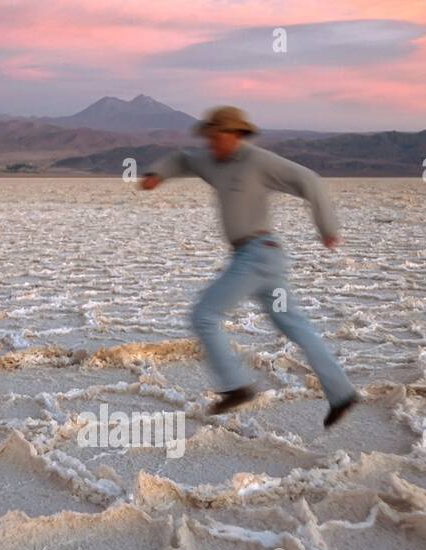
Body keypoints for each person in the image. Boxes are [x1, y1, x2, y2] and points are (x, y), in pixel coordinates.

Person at [141, 105, 359, 427]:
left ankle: (235, 387)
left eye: (217, 137)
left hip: (258, 254)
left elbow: (310, 180)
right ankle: (342, 393)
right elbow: (182, 159)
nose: (212, 144)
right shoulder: (210, 161)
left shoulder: (258, 161)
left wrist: (327, 228)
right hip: (261, 258)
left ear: (235, 135)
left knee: (204, 315)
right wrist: (157, 173)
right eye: (209, 138)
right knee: (295, 326)